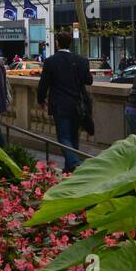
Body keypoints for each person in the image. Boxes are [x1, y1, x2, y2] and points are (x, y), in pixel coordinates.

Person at [37, 32, 93, 171]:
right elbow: (89, 80)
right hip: (78, 105)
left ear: (57, 43)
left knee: (63, 137)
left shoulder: (51, 61)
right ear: (70, 43)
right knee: (74, 137)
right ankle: (69, 169)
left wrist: (41, 100)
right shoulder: (82, 60)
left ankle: (74, 163)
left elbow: (44, 84)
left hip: (60, 104)